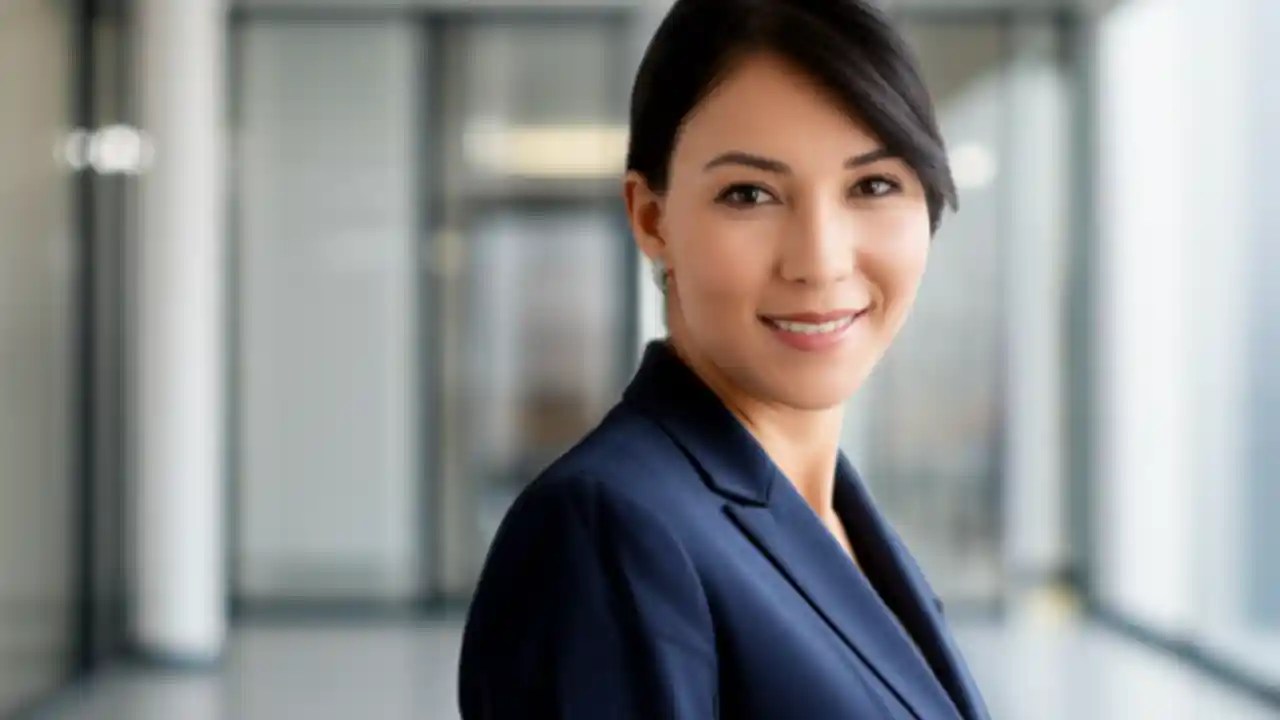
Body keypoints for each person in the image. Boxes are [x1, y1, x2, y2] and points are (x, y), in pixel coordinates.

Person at [458, 0, 991, 717]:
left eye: (872, 185)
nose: (820, 262)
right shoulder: (606, 531)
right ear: (652, 218)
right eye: (750, 194)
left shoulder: (838, 518)